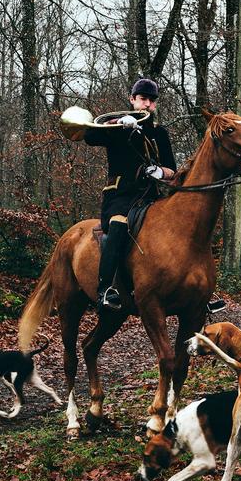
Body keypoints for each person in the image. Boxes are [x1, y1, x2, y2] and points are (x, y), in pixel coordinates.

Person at [84, 78, 176, 312]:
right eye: (143, 99)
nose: (147, 105)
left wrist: (158, 171)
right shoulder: (117, 128)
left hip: (151, 196)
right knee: (117, 227)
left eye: (152, 101)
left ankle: (191, 290)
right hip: (120, 196)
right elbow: (89, 136)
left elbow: (172, 171)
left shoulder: (160, 133)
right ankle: (106, 289)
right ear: (132, 100)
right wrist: (117, 123)